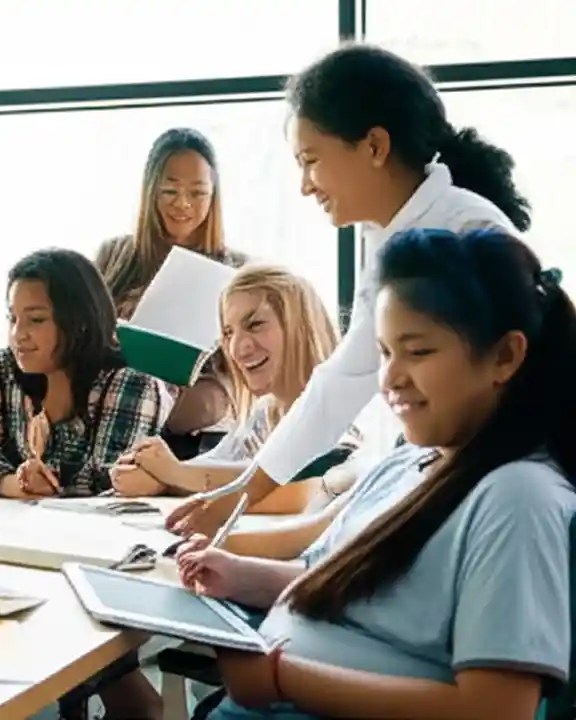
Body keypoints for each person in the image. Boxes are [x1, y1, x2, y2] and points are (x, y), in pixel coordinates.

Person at [179, 228, 574, 719]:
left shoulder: (516, 496)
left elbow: (496, 710)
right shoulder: (410, 461)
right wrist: (241, 577)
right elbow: (348, 589)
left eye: (418, 352)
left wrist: (280, 678)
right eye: (386, 353)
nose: (391, 378)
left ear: (505, 356)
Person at [168, 42, 531, 537]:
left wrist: (240, 495)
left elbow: (343, 384)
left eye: (311, 160)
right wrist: (240, 493)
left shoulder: (461, 231)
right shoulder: (390, 236)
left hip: (488, 482)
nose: (305, 185)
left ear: (374, 147)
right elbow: (342, 380)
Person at [111, 265, 361, 514]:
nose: (237, 348)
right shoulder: (264, 415)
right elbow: (215, 466)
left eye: (255, 325)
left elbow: (308, 483)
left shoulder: (348, 415)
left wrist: (176, 474)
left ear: (301, 326)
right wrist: (156, 473)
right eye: (228, 333)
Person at [0, 247, 173, 499]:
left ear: (79, 321)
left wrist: (43, 486)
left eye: (36, 320)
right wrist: (20, 484)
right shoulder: (0, 368)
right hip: (12, 520)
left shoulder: (132, 382)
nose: (18, 334)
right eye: (13, 318)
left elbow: (110, 483)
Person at [96, 128, 249, 459]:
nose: (182, 204)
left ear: (213, 195)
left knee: (205, 401)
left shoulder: (238, 268)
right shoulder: (115, 255)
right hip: (120, 394)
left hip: (197, 406)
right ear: (151, 191)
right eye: (169, 191)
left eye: (198, 193)